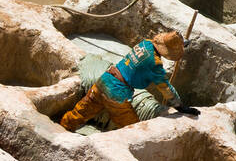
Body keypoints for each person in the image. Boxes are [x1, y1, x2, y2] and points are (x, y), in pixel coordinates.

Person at [60, 31, 198, 132]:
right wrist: (181, 107)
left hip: (105, 79)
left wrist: (181, 43)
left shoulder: (145, 44)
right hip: (116, 93)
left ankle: (62, 128)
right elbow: (166, 88)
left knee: (79, 113)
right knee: (133, 129)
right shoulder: (155, 64)